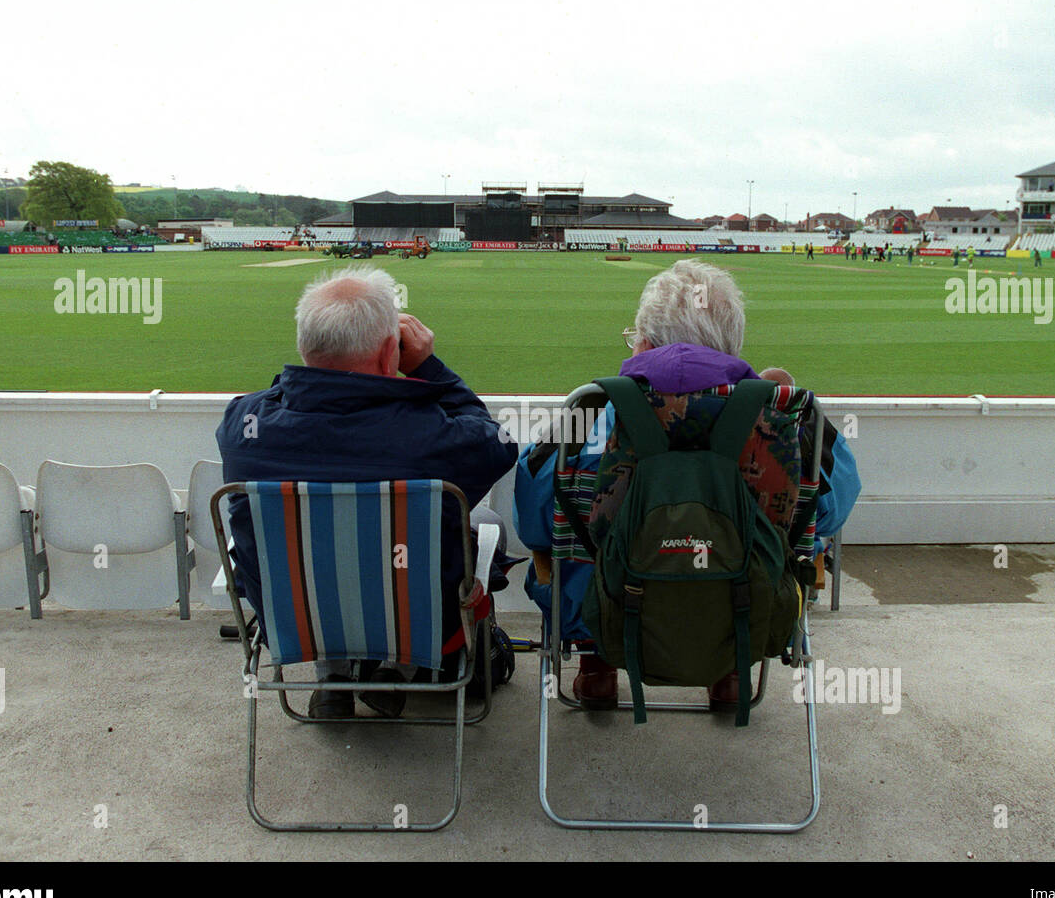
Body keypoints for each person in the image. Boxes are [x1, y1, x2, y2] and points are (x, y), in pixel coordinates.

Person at [514, 260, 860, 712]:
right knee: (752, 556)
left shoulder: (591, 412)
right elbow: (831, 511)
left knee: (570, 561)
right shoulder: (784, 424)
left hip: (602, 614)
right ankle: (730, 670)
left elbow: (534, 520)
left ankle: (597, 666)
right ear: (732, 345)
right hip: (747, 614)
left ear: (643, 343)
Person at [217, 266, 518, 718]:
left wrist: (314, 375)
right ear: (388, 355)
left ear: (303, 349)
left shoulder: (243, 427)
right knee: (481, 526)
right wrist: (426, 368)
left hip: (296, 623)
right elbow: (497, 443)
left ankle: (333, 675)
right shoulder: (432, 438)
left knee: (319, 552)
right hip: (420, 622)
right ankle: (396, 669)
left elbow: (278, 398)